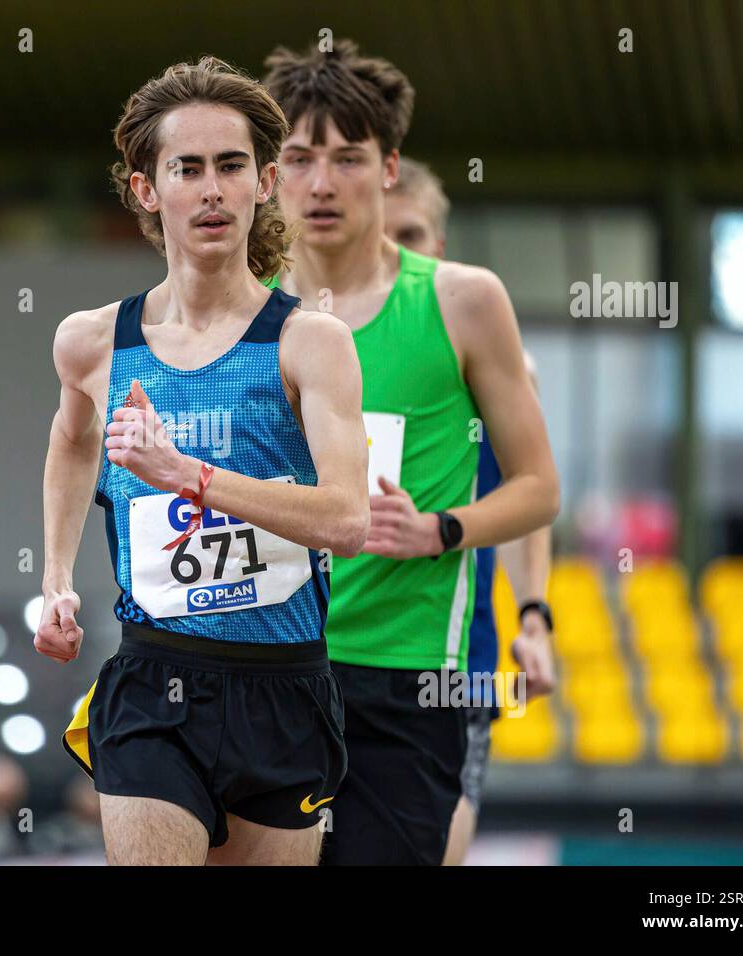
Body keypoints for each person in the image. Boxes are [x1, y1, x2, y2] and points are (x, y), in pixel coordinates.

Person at [39, 55, 369, 865]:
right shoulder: (91, 342)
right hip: (156, 683)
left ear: (264, 183)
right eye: (188, 168)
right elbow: (73, 441)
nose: (212, 189)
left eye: (231, 167)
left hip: (286, 687)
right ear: (148, 190)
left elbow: (349, 521)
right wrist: (53, 578)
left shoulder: (310, 343)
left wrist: (185, 474)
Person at [263, 40, 559, 865]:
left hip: (410, 680)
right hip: (268, 668)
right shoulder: (243, 318)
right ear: (268, 173)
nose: (321, 185)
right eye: (297, 158)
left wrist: (442, 530)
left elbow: (539, 489)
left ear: (388, 167)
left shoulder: (463, 302)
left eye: (348, 158)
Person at [384, 158, 557, 865]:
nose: (398, 251)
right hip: (322, 658)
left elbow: (527, 498)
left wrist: (535, 616)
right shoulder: (314, 349)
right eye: (384, 235)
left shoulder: (489, 358)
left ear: (440, 246)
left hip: (453, 663)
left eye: (413, 234)